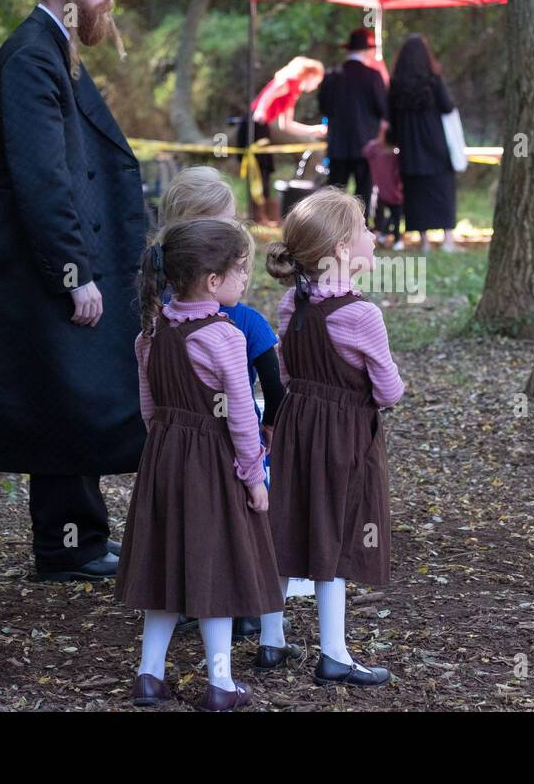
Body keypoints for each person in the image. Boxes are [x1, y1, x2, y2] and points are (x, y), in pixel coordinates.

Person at [0, 0, 146, 582]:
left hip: (62, 259)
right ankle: (69, 547)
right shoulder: (33, 56)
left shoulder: (56, 50)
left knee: (71, 394)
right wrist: (75, 271)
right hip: (46, 265)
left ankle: (77, 542)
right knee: (65, 394)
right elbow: (42, 176)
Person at [117, 219, 286, 712]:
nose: (246, 279)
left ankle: (149, 675)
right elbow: (240, 416)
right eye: (241, 270)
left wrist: (167, 453)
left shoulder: (150, 333)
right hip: (213, 464)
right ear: (213, 281)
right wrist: (254, 476)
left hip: (164, 461)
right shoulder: (223, 336)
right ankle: (220, 684)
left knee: (165, 566)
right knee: (216, 569)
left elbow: (150, 410)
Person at [154, 165, 301, 643]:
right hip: (229, 444)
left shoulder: (160, 315)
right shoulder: (228, 320)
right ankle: (238, 603)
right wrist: (264, 440)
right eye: (226, 225)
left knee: (193, 518)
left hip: (182, 442)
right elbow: (264, 390)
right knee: (240, 518)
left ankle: (194, 598)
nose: (235, 231)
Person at [264, 189, 403, 686]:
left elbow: (284, 369)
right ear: (343, 249)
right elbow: (387, 389)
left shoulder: (289, 302)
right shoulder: (361, 314)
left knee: (288, 521)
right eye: (365, 227)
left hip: (297, 425)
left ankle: (271, 640)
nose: (372, 235)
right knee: (335, 534)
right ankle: (335, 653)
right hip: (343, 436)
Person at [386, 34, 459, 252]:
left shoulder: (396, 85)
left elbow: (391, 119)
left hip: (409, 149)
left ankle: (423, 240)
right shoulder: (434, 81)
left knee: (415, 194)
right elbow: (447, 107)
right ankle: (447, 239)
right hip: (436, 145)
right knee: (442, 190)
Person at [235, 57, 326, 226]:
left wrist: (314, 129)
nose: (316, 86)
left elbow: (286, 125)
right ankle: (258, 216)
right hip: (255, 126)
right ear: (310, 75)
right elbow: (275, 89)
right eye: (317, 81)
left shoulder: (294, 90)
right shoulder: (290, 80)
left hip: (261, 126)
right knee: (259, 172)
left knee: (265, 172)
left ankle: (271, 212)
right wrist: (262, 109)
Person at [317, 28, 388, 222]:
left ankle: (332, 230)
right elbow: (382, 107)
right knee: (363, 192)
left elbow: (323, 107)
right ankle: (360, 228)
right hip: (365, 144)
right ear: (366, 51)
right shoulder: (373, 76)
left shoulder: (332, 75)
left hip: (337, 144)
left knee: (335, 193)